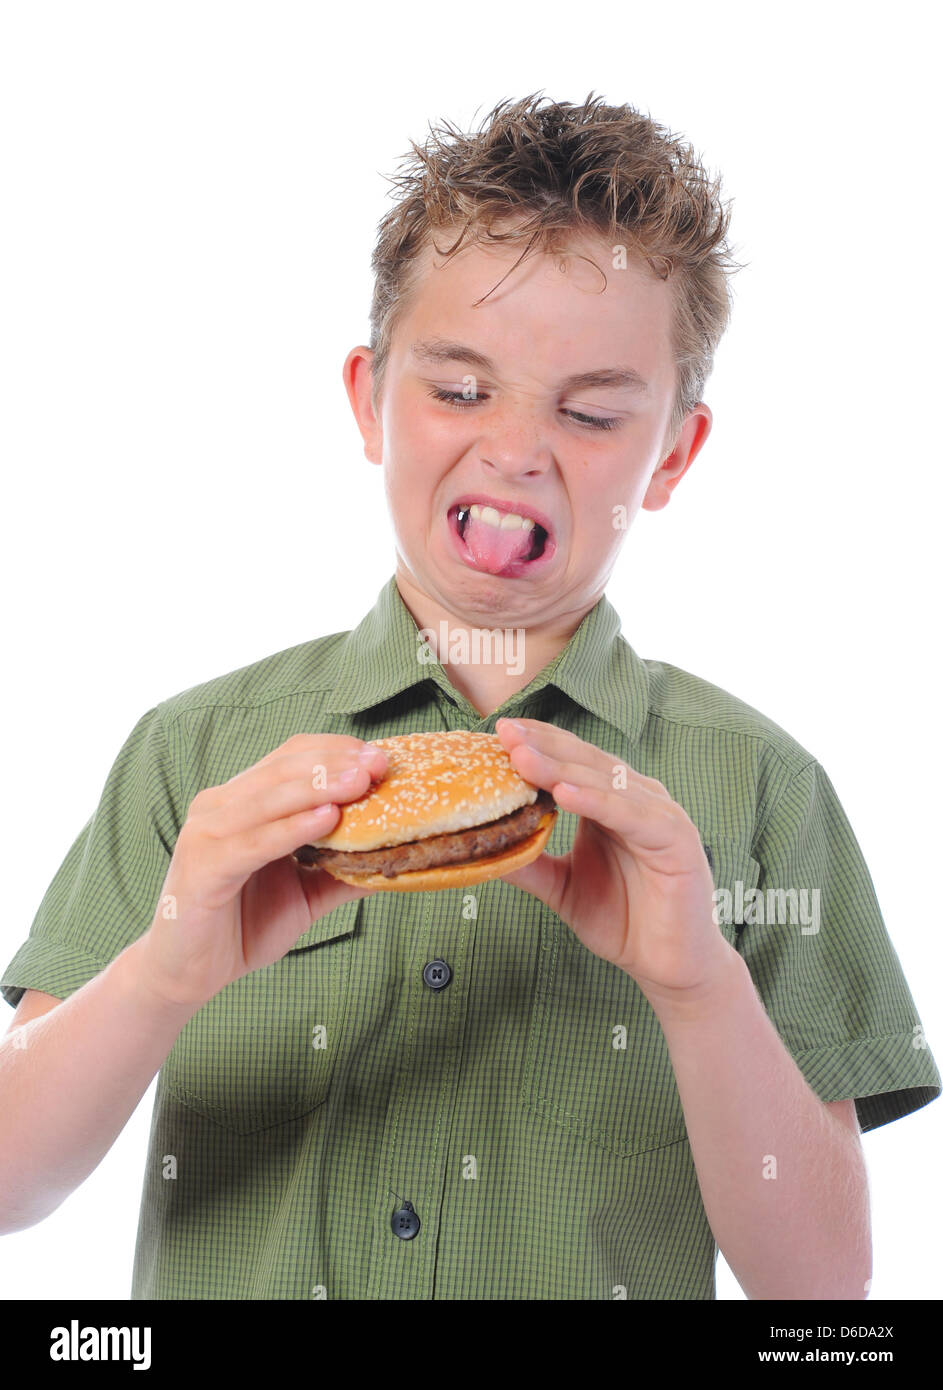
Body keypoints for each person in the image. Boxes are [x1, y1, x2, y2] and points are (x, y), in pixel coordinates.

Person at [2, 92, 938, 1301]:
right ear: (366, 399)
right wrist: (164, 971)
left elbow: (820, 1298)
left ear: (670, 455)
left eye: (592, 412)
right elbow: (13, 1186)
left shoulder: (759, 789)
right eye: (457, 389)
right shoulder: (196, 756)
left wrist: (698, 987)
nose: (515, 448)